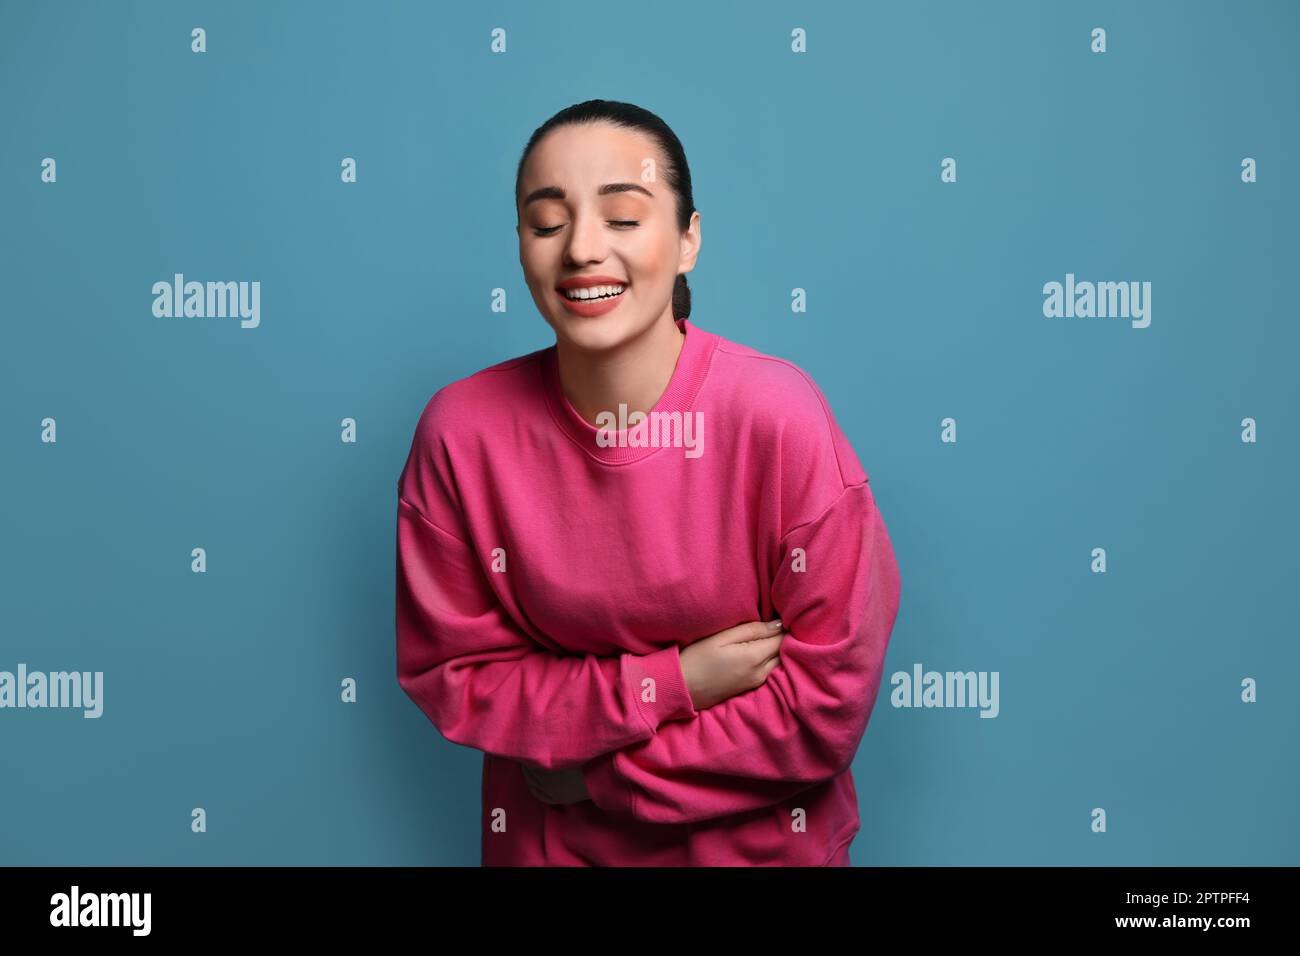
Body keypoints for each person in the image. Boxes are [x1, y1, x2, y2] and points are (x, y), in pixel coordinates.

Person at [395, 99, 901, 866]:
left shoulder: (778, 419)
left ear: (689, 239)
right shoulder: (461, 435)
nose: (582, 249)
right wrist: (671, 683)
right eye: (547, 223)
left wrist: (598, 779)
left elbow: (825, 705)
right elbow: (457, 677)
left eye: (624, 218)